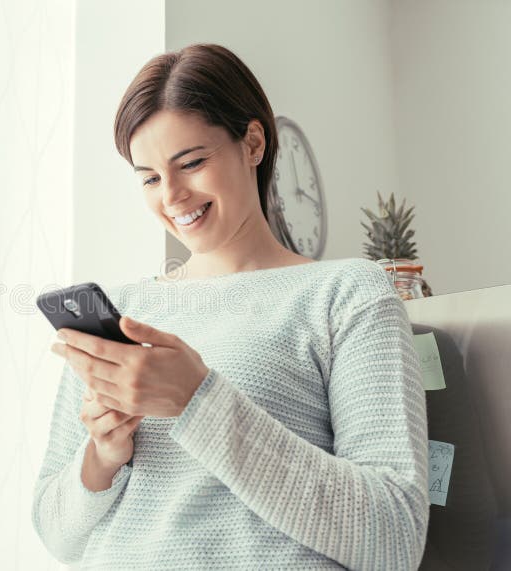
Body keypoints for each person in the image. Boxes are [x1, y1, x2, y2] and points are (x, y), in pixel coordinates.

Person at [31, 43, 429, 570]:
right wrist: (103, 457)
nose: (171, 196)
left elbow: (393, 537)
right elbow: (56, 534)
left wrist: (198, 399)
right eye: (149, 178)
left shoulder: (348, 294)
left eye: (191, 162)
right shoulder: (124, 310)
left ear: (254, 143)